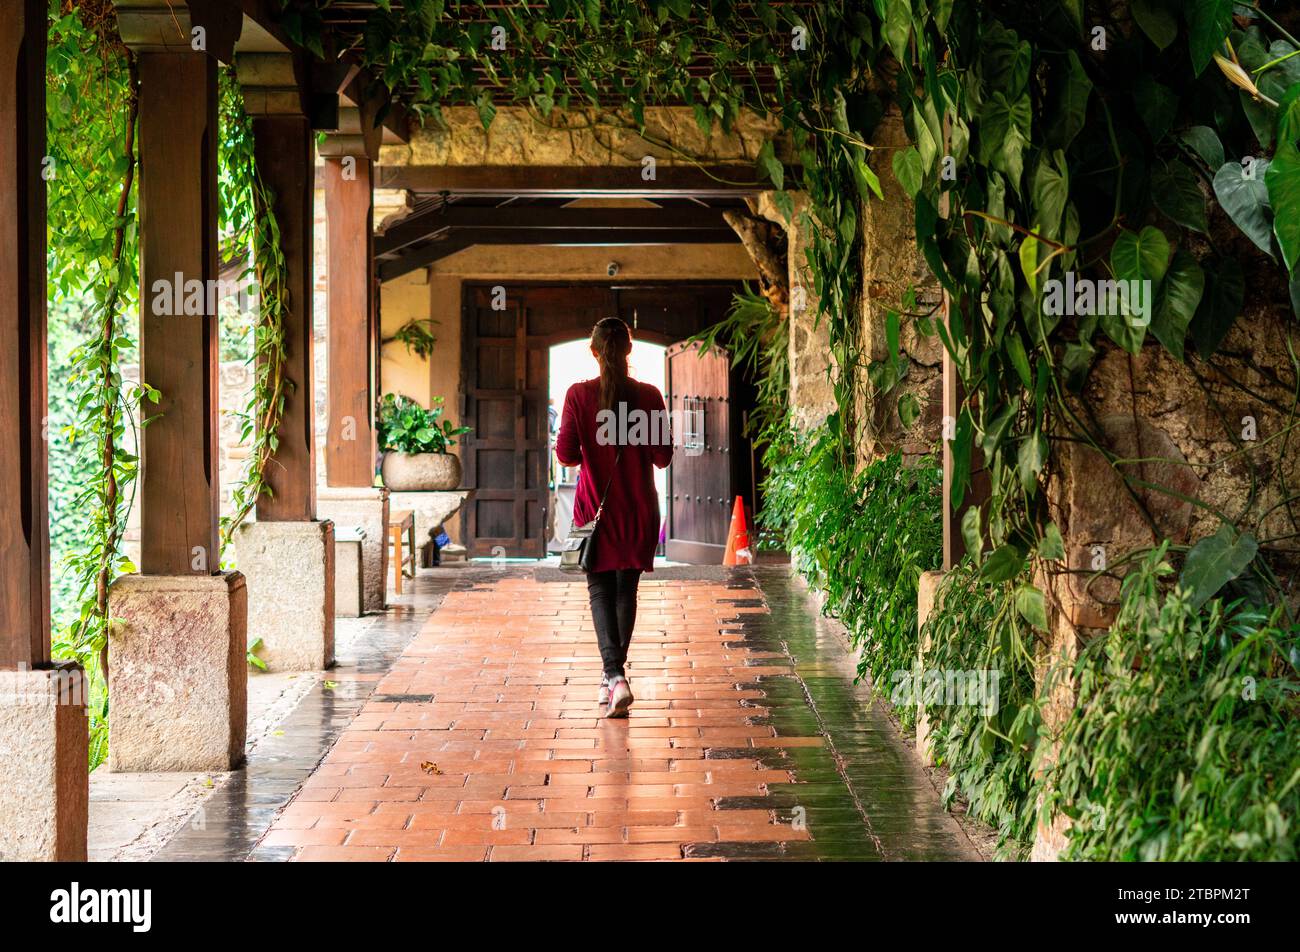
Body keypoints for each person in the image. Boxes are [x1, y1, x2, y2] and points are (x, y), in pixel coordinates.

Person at [556, 317, 673, 718]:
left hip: (595, 510)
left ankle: (613, 676)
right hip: (639, 508)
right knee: (626, 592)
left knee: (601, 592)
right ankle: (614, 677)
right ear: (628, 351)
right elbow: (663, 457)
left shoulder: (578, 395)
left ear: (593, 351)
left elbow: (567, 455)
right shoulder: (650, 396)